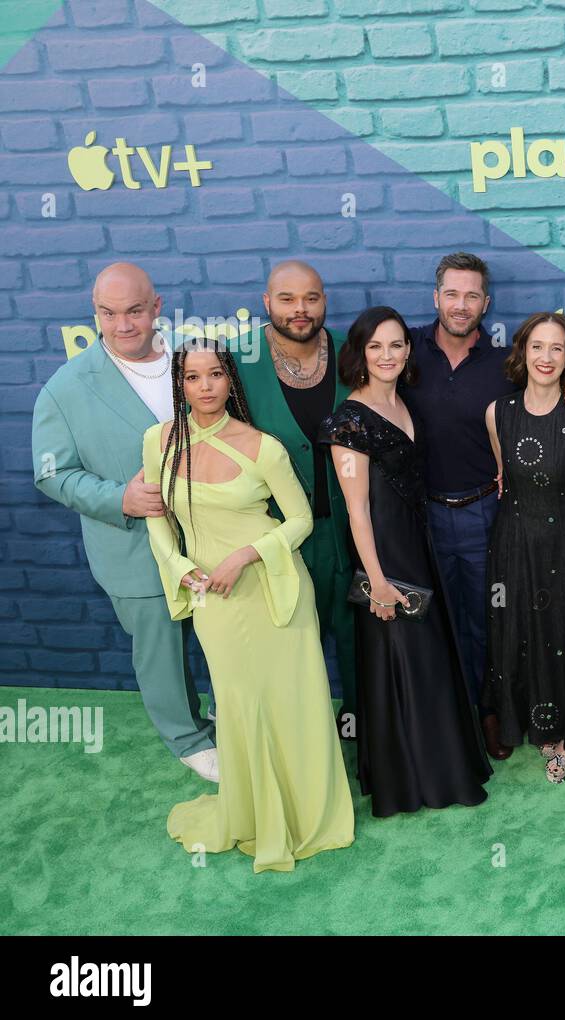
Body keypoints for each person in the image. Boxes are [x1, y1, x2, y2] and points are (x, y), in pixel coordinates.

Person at [143, 338, 353, 873]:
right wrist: (179, 567)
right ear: (180, 384)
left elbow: (301, 520)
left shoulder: (262, 446)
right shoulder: (158, 441)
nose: (205, 386)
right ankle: (253, 813)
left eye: (215, 374)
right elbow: (156, 517)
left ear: (230, 380)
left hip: (271, 587)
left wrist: (244, 556)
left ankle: (307, 814)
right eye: (193, 377)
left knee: (292, 700)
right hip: (210, 595)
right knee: (237, 703)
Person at [404, 252, 565, 760]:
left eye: (472, 296)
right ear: (436, 297)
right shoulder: (405, 353)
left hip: (486, 513)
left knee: (491, 620)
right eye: (452, 293)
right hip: (421, 515)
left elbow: (545, 398)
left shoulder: (500, 367)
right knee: (432, 621)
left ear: (486, 303)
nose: (461, 305)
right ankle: (451, 719)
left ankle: (493, 714)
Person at [31, 262, 217, 781]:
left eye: (134, 310)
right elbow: (51, 473)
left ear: (156, 307)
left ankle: (235, 717)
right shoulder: (65, 388)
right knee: (160, 648)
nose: (123, 325)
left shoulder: (196, 358)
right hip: (134, 548)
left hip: (215, 534)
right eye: (108, 314)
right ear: (95, 315)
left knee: (229, 628)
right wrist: (121, 499)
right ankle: (188, 738)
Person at [319, 307, 491, 817]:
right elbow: (355, 508)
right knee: (402, 661)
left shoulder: (402, 402)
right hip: (386, 558)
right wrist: (376, 582)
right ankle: (413, 778)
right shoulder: (351, 419)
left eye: (397, 345)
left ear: (408, 351)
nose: (388, 355)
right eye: (376, 347)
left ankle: (439, 764)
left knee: (428, 661)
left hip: (419, 546)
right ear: (360, 354)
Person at [483, 312, 565, 783]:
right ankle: (531, 725)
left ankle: (564, 739)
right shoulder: (499, 412)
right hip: (513, 543)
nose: (546, 357)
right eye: (538, 346)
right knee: (521, 633)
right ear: (522, 352)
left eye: (557, 348)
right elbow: (506, 480)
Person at [237, 260, 356, 736]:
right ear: (267, 303)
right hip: (279, 532)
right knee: (287, 639)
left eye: (311, 298)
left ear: (324, 300)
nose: (300, 309)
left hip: (350, 528)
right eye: (286, 299)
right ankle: (298, 736)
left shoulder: (354, 354)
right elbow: (205, 433)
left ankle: (362, 730)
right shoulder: (239, 360)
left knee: (356, 637)